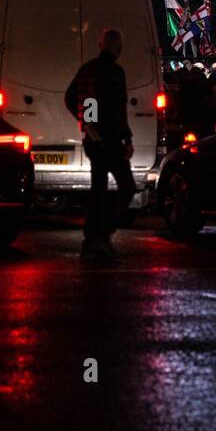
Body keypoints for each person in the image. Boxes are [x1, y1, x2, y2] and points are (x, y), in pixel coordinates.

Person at [64, 28, 135, 262]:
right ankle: (102, 235)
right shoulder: (115, 72)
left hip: (93, 140)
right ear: (119, 48)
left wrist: (86, 122)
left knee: (98, 190)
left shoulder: (88, 69)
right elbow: (117, 110)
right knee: (126, 187)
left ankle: (93, 239)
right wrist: (126, 139)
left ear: (100, 44)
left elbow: (70, 96)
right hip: (111, 140)